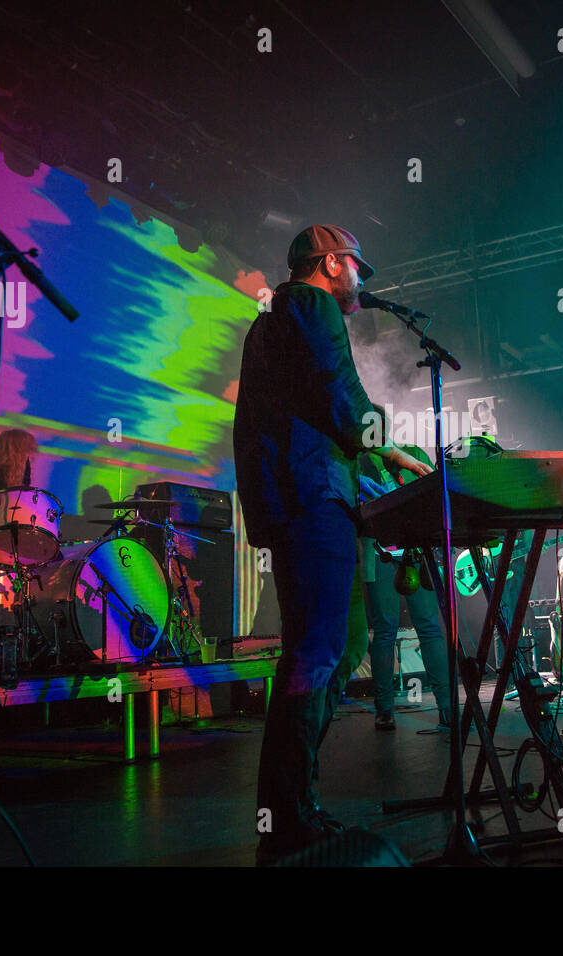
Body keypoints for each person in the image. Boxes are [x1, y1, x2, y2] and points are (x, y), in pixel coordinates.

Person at [233, 224, 429, 864]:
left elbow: (315, 407)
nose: (361, 281)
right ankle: (286, 817)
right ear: (331, 263)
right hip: (314, 499)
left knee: (335, 647)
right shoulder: (307, 303)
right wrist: (392, 450)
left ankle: (294, 808)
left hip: (305, 496)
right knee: (316, 652)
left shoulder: (273, 319)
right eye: (356, 267)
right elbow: (340, 394)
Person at [358, 445, 452, 730]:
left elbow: (433, 496)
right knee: (385, 631)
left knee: (430, 627)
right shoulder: (357, 463)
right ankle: (384, 709)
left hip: (417, 552)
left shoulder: (413, 455)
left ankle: (447, 708)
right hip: (379, 553)